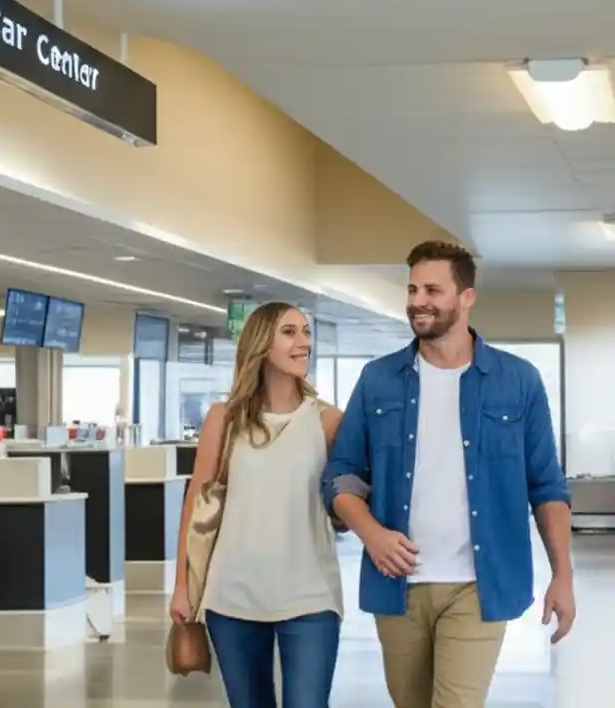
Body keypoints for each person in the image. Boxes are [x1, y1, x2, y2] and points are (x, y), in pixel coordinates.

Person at [322, 241, 575, 708]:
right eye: (413, 288)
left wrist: (563, 575)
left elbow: (547, 486)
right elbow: (340, 475)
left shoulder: (518, 381)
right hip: (396, 585)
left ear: (466, 297)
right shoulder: (378, 379)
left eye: (433, 290)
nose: (418, 300)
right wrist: (372, 534)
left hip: (479, 584)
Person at [169, 301, 345, 708]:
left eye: (306, 332)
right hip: (234, 595)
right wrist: (183, 586)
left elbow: (348, 498)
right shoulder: (224, 419)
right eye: (290, 332)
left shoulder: (329, 421)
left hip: (311, 595)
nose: (304, 342)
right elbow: (197, 505)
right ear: (261, 345)